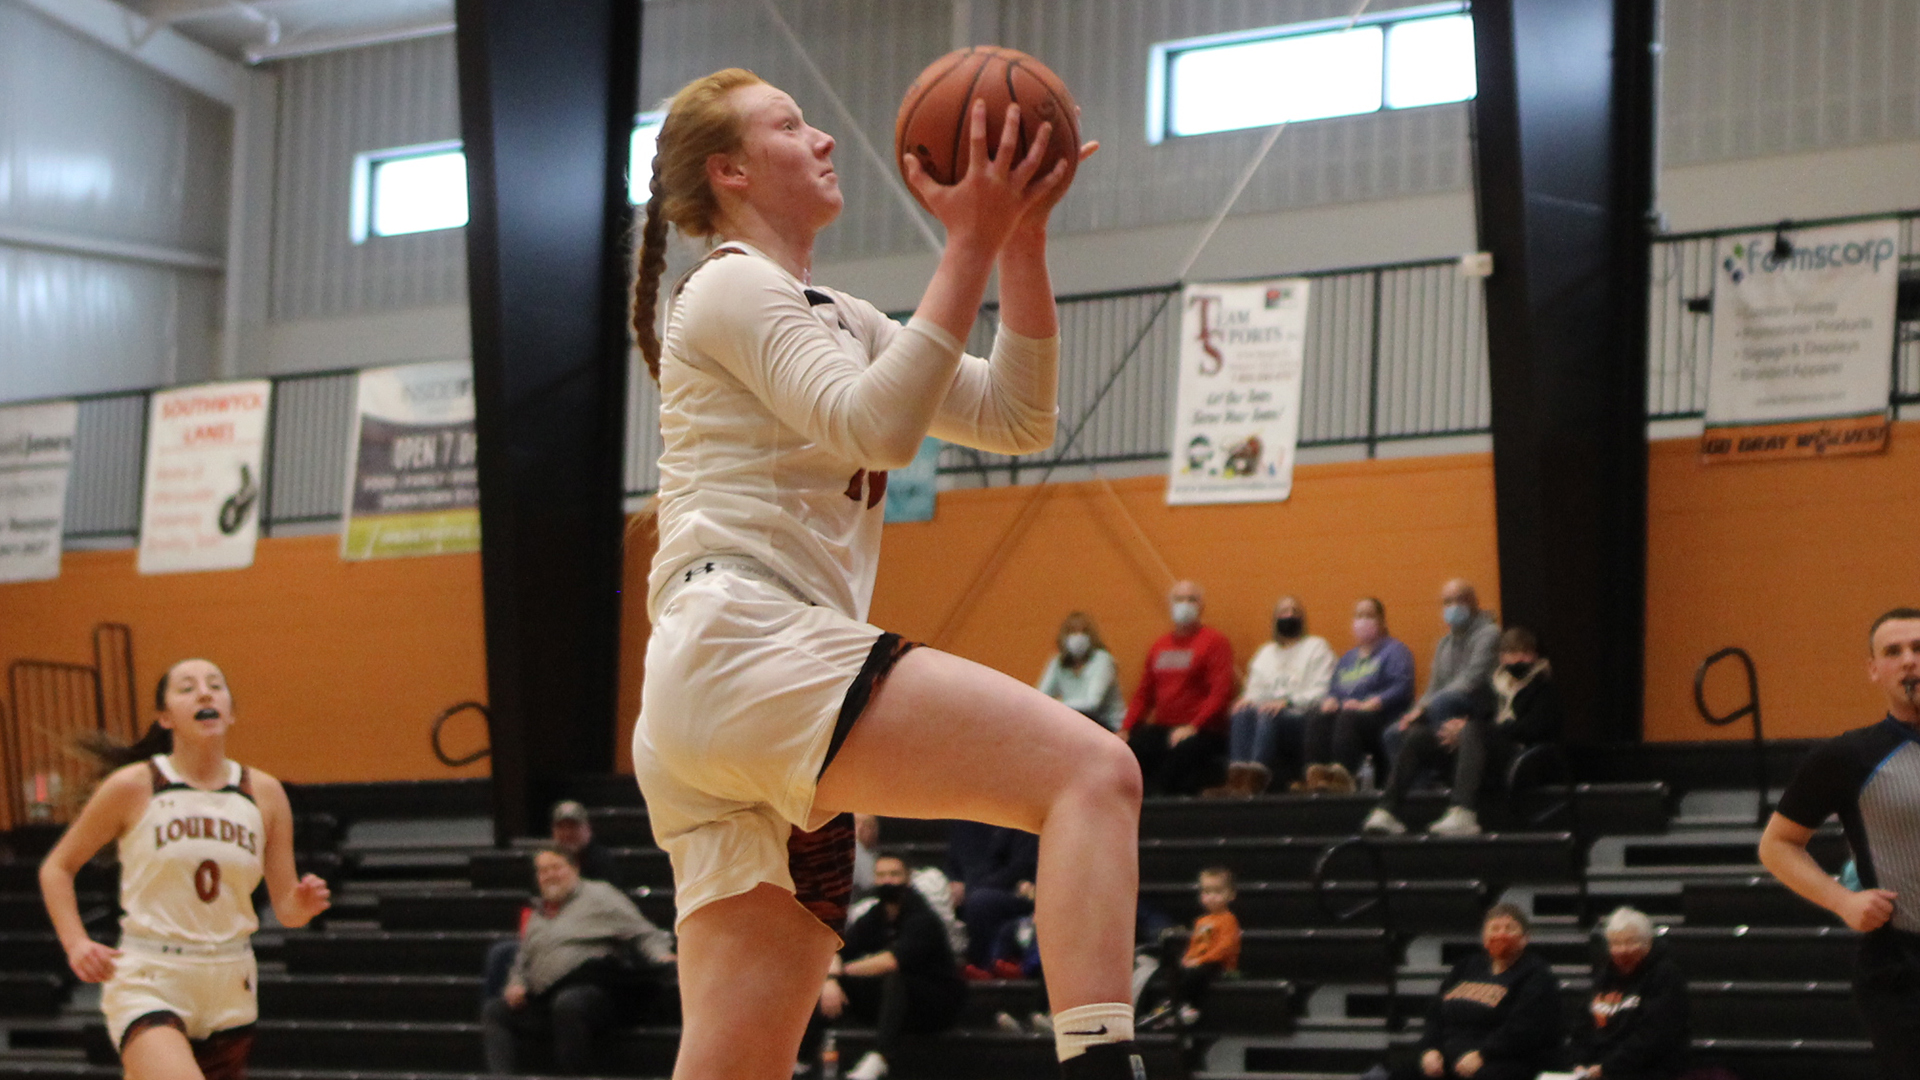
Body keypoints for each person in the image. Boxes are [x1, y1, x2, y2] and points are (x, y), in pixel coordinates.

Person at [627, 69, 1144, 1080]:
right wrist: (966, 245)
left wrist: (1019, 242)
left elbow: (1015, 417)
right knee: (1094, 773)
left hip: (718, 689)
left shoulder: (839, 313)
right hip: (748, 644)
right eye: (790, 124)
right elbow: (875, 427)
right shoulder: (731, 284)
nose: (823, 138)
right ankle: (1101, 1065)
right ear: (730, 169)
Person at [38, 658, 332, 1080]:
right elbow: (57, 867)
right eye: (187, 687)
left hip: (231, 984)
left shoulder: (264, 793)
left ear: (230, 712)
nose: (205, 692)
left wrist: (302, 903)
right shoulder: (134, 785)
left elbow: (286, 910)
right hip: (152, 978)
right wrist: (76, 943)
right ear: (165, 717)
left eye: (215, 684)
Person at [1758, 607, 1920, 1079]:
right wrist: (1843, 902)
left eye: (1918, 648)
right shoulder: (1849, 756)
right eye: (1893, 652)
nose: (1909, 660)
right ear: (1874, 670)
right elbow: (1778, 845)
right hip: (1901, 967)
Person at [482, 847, 676, 1075]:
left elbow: (643, 933)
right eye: (543, 871)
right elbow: (522, 962)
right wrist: (516, 984)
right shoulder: (536, 914)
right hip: (544, 996)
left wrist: (662, 956)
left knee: (568, 1002)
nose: (550, 875)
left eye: (556, 867)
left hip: (595, 992)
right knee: (495, 1010)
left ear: (574, 869)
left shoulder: (600, 896)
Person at [1365, 627, 1562, 837]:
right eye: (1510, 652)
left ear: (1535, 655)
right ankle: (1386, 810)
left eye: (1524, 652)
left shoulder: (1545, 690)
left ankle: (1463, 812)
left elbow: (1532, 729)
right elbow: (1476, 719)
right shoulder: (1492, 690)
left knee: (1472, 729)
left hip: (1521, 759)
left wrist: (1476, 731)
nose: (1517, 658)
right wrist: (1458, 730)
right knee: (1420, 737)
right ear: (1501, 657)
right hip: (1484, 756)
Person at [802, 855, 966, 1080]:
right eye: (881, 875)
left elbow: (892, 961)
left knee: (892, 978)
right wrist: (830, 979)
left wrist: (840, 973)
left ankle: (879, 1058)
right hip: (893, 1003)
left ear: (907, 880)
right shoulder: (874, 916)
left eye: (894, 875)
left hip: (935, 1002)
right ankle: (799, 1062)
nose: (887, 881)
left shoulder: (923, 918)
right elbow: (838, 948)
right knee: (823, 987)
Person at [1394, 904, 1562, 1080]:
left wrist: (1483, 1055)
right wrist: (1430, 1050)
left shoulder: (1537, 974)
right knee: (1404, 1072)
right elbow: (1435, 1015)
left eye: (1509, 929)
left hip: (1504, 1059)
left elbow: (1523, 1030)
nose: (1501, 935)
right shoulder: (1466, 967)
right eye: (1494, 929)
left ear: (1524, 938)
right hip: (1451, 1055)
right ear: (1484, 937)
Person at [483, 799, 621, 1001]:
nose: (566, 833)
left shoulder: (603, 864)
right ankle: (496, 1016)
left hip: (584, 943)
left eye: (573, 826)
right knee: (501, 953)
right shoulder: (545, 864)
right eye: (561, 827)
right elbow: (532, 910)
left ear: (587, 829)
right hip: (545, 939)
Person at [1123, 580, 1237, 796]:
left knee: (1179, 757)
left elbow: (1220, 693)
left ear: (1201, 606)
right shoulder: (1159, 646)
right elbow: (1144, 693)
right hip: (1164, 726)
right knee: (1132, 750)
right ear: (1170, 604)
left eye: (1191, 599)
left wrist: (1194, 726)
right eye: (1179, 599)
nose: (1185, 604)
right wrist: (1126, 729)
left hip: (1202, 730)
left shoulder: (1215, 642)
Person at [1219, 596, 1336, 795]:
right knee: (1242, 713)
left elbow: (1321, 691)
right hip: (1268, 712)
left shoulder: (1317, 647)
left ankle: (1255, 780)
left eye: (1294, 611)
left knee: (1268, 714)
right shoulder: (1265, 653)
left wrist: (1287, 701)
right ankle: (1237, 780)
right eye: (1283, 611)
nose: (1288, 615)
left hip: (1300, 716)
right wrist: (1247, 700)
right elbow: (1254, 691)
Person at [1300, 597, 1417, 793]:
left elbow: (1402, 686)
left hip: (1381, 717)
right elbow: (1334, 690)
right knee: (1318, 716)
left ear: (1381, 620)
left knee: (1349, 717)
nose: (1362, 620)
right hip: (1350, 714)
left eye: (1368, 615)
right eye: (1358, 616)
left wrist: (1372, 703)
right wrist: (1330, 700)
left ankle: (1342, 777)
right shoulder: (1347, 658)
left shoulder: (1395, 651)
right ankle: (1316, 777)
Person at [1383, 579, 1501, 770]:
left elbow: (1473, 679)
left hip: (1480, 704)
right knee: (1394, 732)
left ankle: (1447, 772)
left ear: (1474, 601)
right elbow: (1433, 686)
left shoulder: (1489, 633)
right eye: (1447, 602)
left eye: (1459, 600)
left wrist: (1428, 706)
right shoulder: (1443, 643)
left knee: (1443, 701)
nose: (1453, 607)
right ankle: (1419, 793)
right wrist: (1417, 709)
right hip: (1443, 703)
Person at [1570, 907, 1689, 1080]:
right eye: (1616, 943)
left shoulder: (1665, 977)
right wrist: (1579, 1062)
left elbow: (1653, 1038)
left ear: (1648, 943)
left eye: (1631, 942)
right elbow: (1582, 1027)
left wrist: (1606, 1068)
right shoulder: (1603, 977)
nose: (1622, 950)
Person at [1140, 866, 1241, 1030]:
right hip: (1200, 962)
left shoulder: (1228, 920)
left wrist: (1200, 960)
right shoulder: (1201, 922)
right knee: (1179, 971)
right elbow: (1195, 945)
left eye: (1217, 892)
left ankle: (1185, 1006)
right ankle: (1171, 1005)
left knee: (1198, 972)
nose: (1211, 897)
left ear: (1231, 894)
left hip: (1219, 965)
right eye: (1207, 892)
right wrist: (1188, 958)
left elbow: (1225, 948)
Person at [946, 819, 1039, 972]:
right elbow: (954, 861)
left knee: (981, 901)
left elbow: (1021, 867)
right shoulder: (966, 823)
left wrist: (973, 888)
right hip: (980, 886)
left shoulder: (1020, 817)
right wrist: (955, 880)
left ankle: (985, 965)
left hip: (1021, 890)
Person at [1037, 612, 1126, 731]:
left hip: (1109, 725)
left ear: (1091, 636)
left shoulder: (1103, 660)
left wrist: (1057, 705)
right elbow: (1039, 697)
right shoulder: (1058, 662)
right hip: (1075, 722)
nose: (1078, 637)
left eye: (1083, 632)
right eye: (1072, 631)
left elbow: (1092, 704)